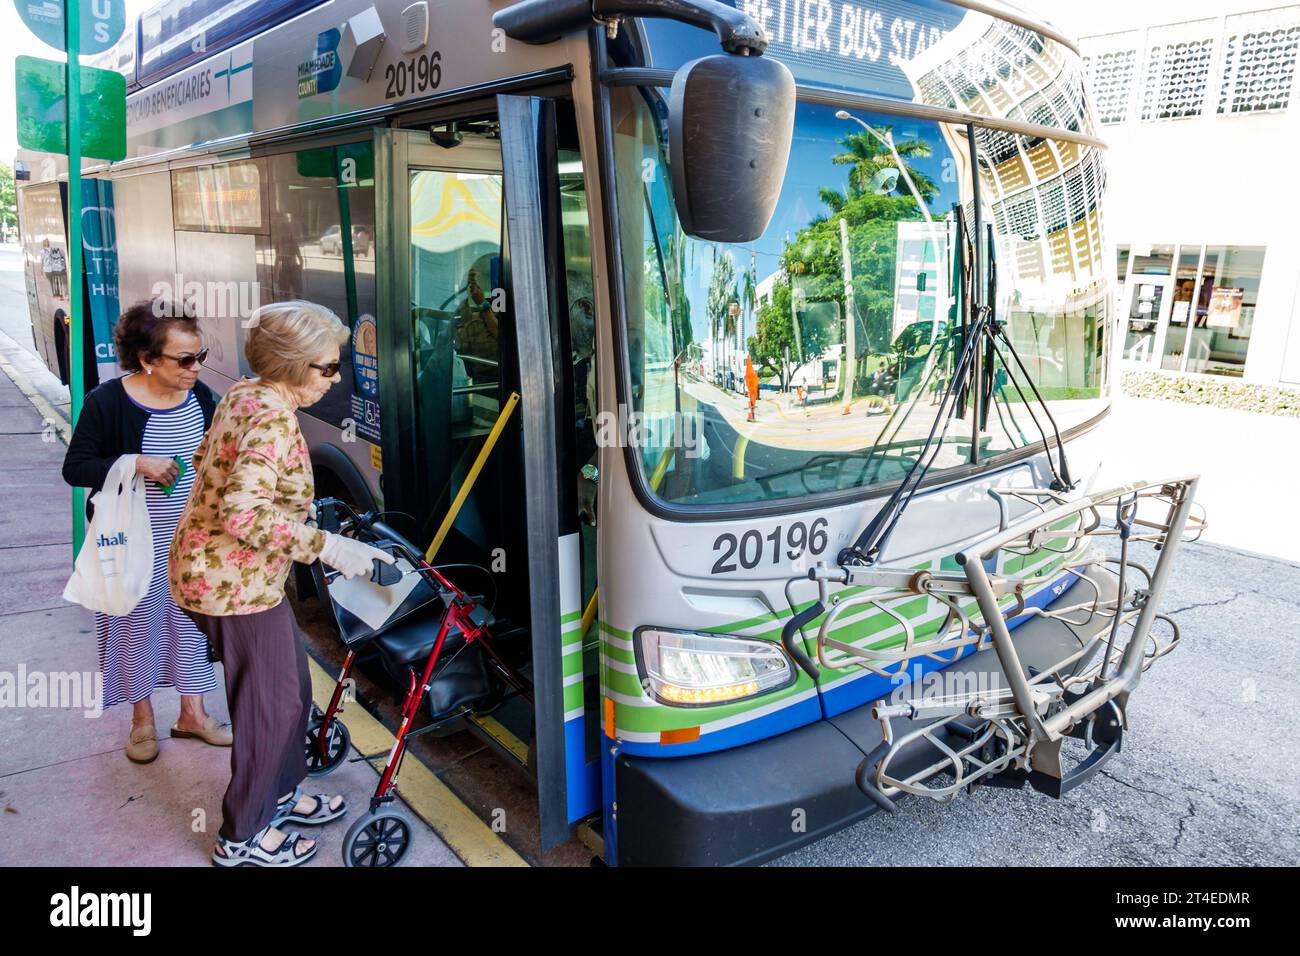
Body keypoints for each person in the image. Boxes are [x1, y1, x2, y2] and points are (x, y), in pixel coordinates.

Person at [169, 300, 394, 867]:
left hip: (226, 575)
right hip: (232, 586)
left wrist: (300, 514)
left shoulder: (249, 393)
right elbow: (243, 514)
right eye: (327, 367)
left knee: (292, 691)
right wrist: (334, 549)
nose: (337, 377)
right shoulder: (269, 416)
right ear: (293, 366)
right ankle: (243, 834)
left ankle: (283, 793)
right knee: (269, 708)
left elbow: (207, 465)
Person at [62, 299, 230, 764]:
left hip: (191, 541)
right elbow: (75, 468)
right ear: (146, 360)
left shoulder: (200, 397)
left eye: (200, 356)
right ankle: (141, 721)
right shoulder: (108, 401)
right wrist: (135, 464)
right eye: (184, 359)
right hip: (136, 544)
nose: (196, 368)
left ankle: (193, 715)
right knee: (136, 630)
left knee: (191, 628)